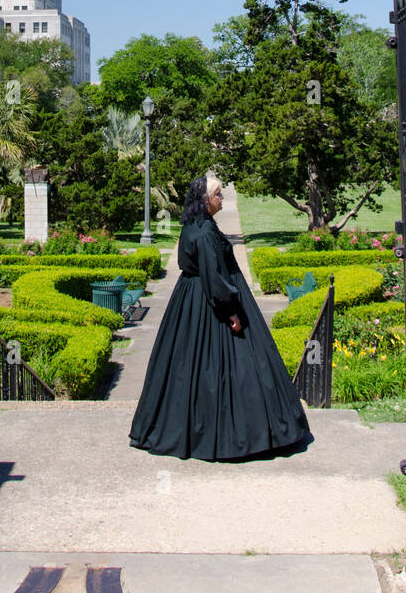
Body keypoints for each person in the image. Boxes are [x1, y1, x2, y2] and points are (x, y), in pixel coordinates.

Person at [128, 173, 310, 461]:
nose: (222, 198)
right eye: (218, 195)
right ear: (205, 200)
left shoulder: (194, 225)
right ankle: (235, 436)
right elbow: (214, 277)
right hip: (209, 302)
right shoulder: (204, 232)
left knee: (187, 369)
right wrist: (231, 312)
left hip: (189, 302)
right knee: (236, 368)